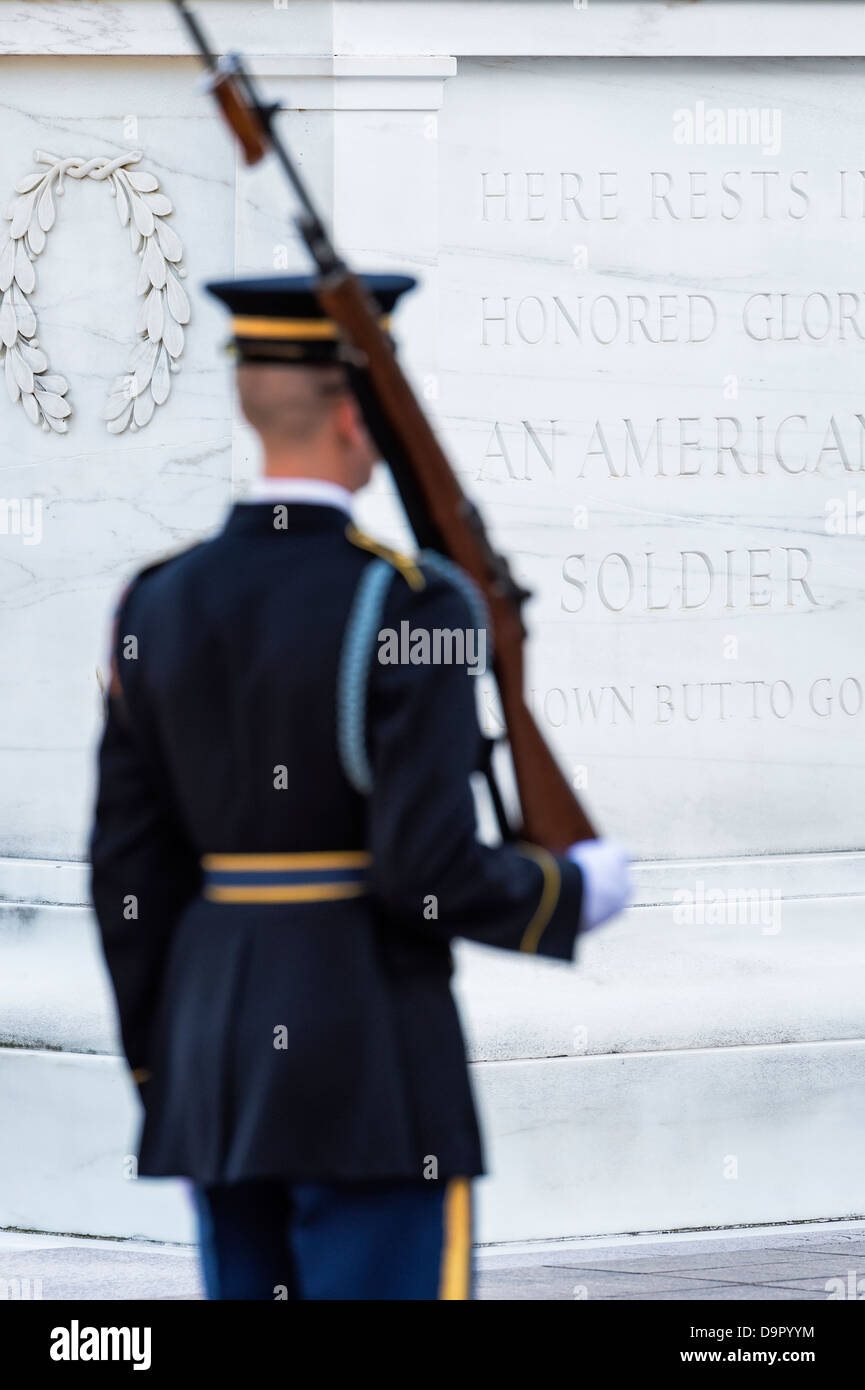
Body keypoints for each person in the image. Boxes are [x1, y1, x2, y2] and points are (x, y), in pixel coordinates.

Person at [90, 272, 631, 1301]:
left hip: (213, 1062)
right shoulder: (407, 600)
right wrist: (568, 892)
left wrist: (164, 1063)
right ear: (357, 416)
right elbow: (421, 870)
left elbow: (124, 868)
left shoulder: (153, 600)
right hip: (367, 1052)